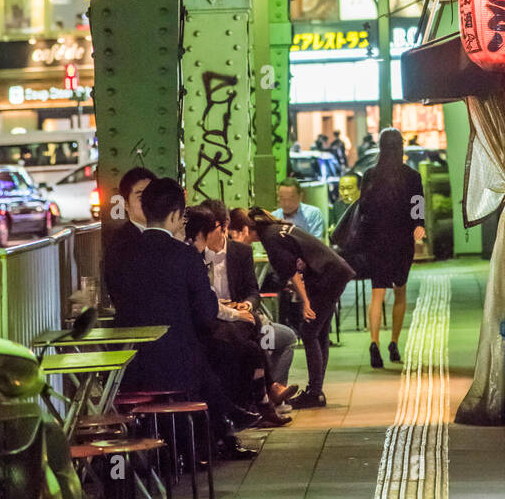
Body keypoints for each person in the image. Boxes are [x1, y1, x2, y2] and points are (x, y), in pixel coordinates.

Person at [108, 177, 257, 459]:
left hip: (129, 364)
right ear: (176, 215)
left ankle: (222, 428)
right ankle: (217, 435)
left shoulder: (122, 254)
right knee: (217, 357)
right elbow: (206, 312)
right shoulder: (186, 256)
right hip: (178, 366)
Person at [247, 207, 355, 409]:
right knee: (319, 332)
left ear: (250, 229)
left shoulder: (270, 238)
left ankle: (315, 392)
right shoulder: (277, 229)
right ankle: (316, 391)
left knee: (309, 332)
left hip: (327, 276)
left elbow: (291, 273)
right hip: (334, 271)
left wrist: (305, 302)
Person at [199, 198, 299, 415]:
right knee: (250, 343)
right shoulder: (195, 254)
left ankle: (263, 396)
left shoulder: (240, 252)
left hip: (240, 315)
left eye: (211, 228)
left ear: (224, 226)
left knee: (265, 333)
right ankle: (268, 392)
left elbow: (253, 291)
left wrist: (246, 304)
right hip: (216, 319)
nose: (206, 235)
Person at [358, 127, 425, 369]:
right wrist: (419, 225)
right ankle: (394, 343)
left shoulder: (370, 175)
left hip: (376, 240)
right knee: (400, 291)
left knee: (377, 294)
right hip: (401, 239)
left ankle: (374, 342)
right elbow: (417, 203)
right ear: (401, 147)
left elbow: (363, 208)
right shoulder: (412, 176)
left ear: (381, 146)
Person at [102, 164, 154, 304]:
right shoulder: (120, 243)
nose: (148, 201)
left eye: (152, 195)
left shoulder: (170, 235)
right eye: (141, 196)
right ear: (126, 204)